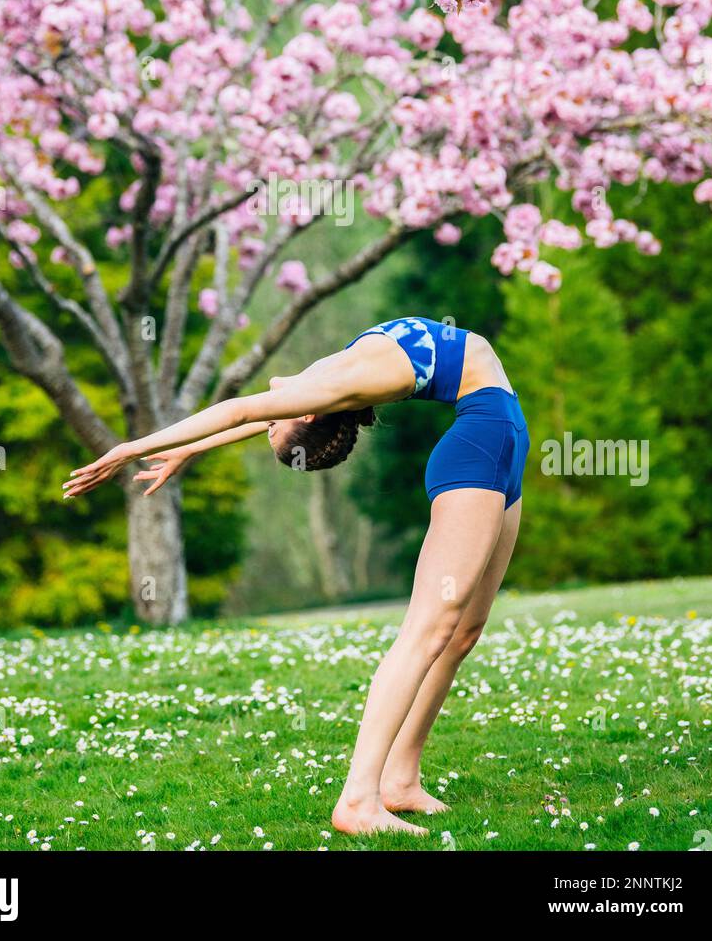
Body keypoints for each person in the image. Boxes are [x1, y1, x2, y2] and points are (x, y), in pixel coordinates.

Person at [64, 315, 529, 837]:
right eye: (274, 423)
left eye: (273, 425)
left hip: (502, 436)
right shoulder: (342, 380)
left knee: (463, 632)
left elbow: (243, 407)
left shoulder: (339, 376)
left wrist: (139, 446)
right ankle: (358, 800)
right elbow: (251, 411)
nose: (270, 414)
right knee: (430, 630)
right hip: (479, 445)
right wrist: (174, 447)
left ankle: (400, 779)